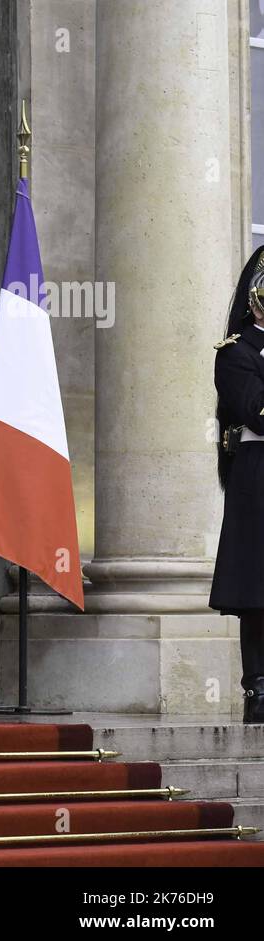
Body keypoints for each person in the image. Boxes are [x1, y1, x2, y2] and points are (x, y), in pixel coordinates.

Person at [210, 246, 264, 724]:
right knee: (257, 590)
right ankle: (259, 685)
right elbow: (256, 413)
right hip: (258, 478)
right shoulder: (237, 353)